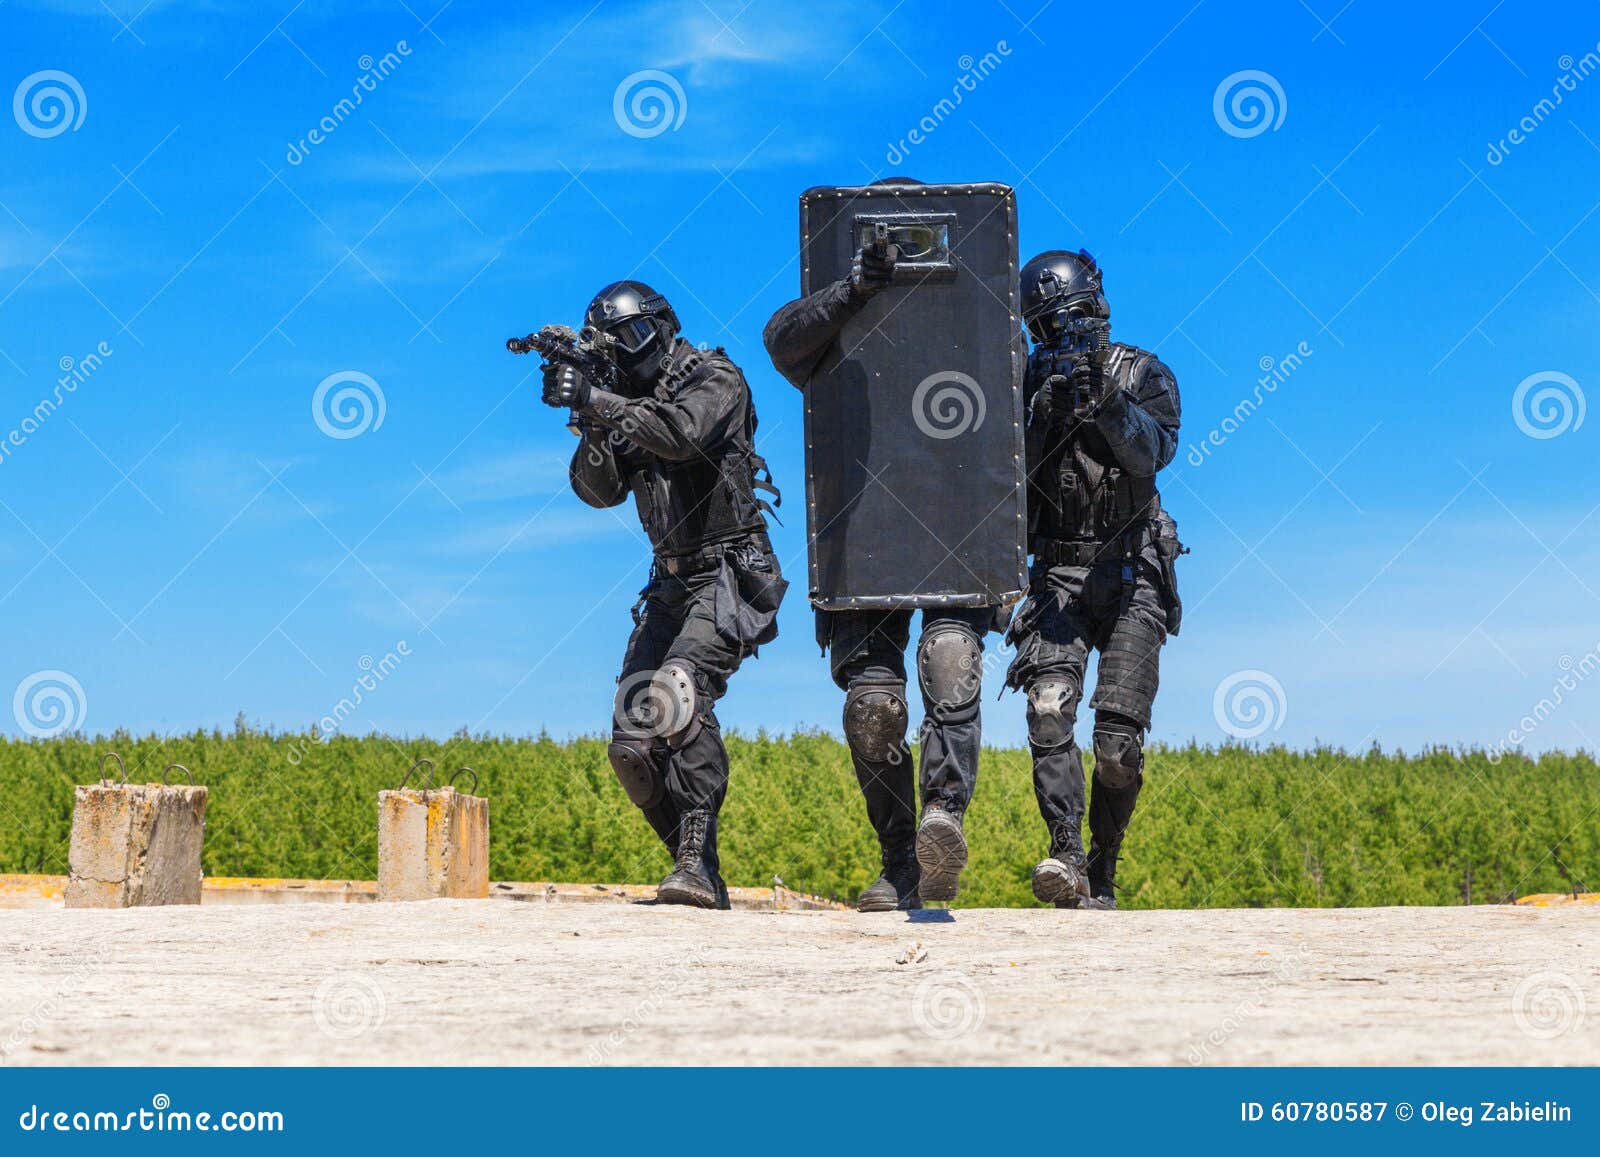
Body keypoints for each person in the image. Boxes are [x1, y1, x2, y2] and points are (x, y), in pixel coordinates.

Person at [763, 219, 1000, 910]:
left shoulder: (982, 318)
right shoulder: (841, 314)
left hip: (960, 526)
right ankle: (901, 860)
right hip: (864, 533)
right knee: (873, 709)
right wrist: (856, 288)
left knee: (951, 660)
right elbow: (781, 341)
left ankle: (942, 819)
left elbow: (1018, 430)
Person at [543, 280, 786, 910]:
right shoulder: (626, 401)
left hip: (731, 570)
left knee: (676, 691)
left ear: (666, 325)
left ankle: (695, 861)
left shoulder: (715, 379)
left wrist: (598, 396)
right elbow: (597, 492)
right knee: (631, 740)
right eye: (613, 345)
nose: (627, 352)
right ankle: (697, 866)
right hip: (672, 580)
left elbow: (680, 435)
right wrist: (591, 422)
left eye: (633, 336)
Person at [1005, 248, 1184, 910]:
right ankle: (1067, 855)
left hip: (1133, 568)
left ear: (1099, 309)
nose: (1065, 338)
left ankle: (1103, 868)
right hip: (1059, 572)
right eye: (1048, 328)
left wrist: (1105, 402)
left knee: (1116, 743)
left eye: (1074, 321)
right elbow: (1004, 489)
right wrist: (1039, 420)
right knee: (1047, 709)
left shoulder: (1144, 374)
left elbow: (1153, 450)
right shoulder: (1021, 385)